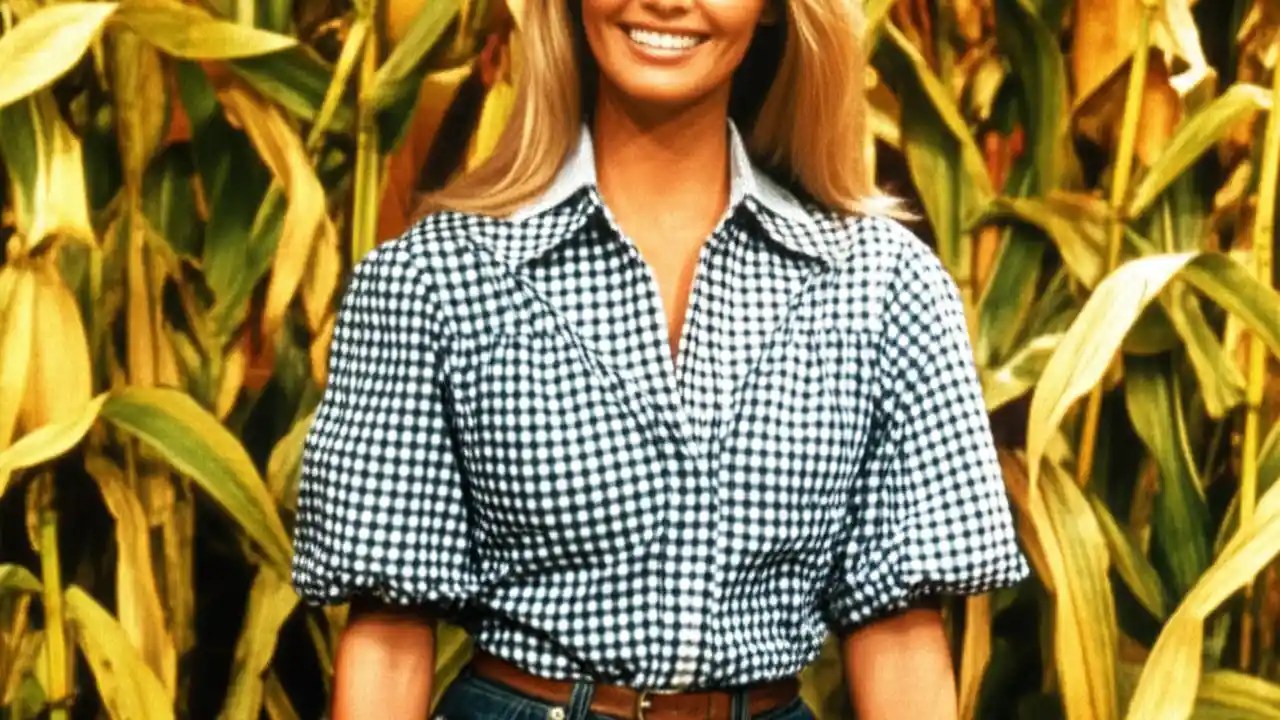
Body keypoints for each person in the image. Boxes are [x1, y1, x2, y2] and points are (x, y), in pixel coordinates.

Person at [290, 0, 1031, 718]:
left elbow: (899, 635)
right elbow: (387, 635)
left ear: (773, 8)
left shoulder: (882, 285)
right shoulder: (433, 281)